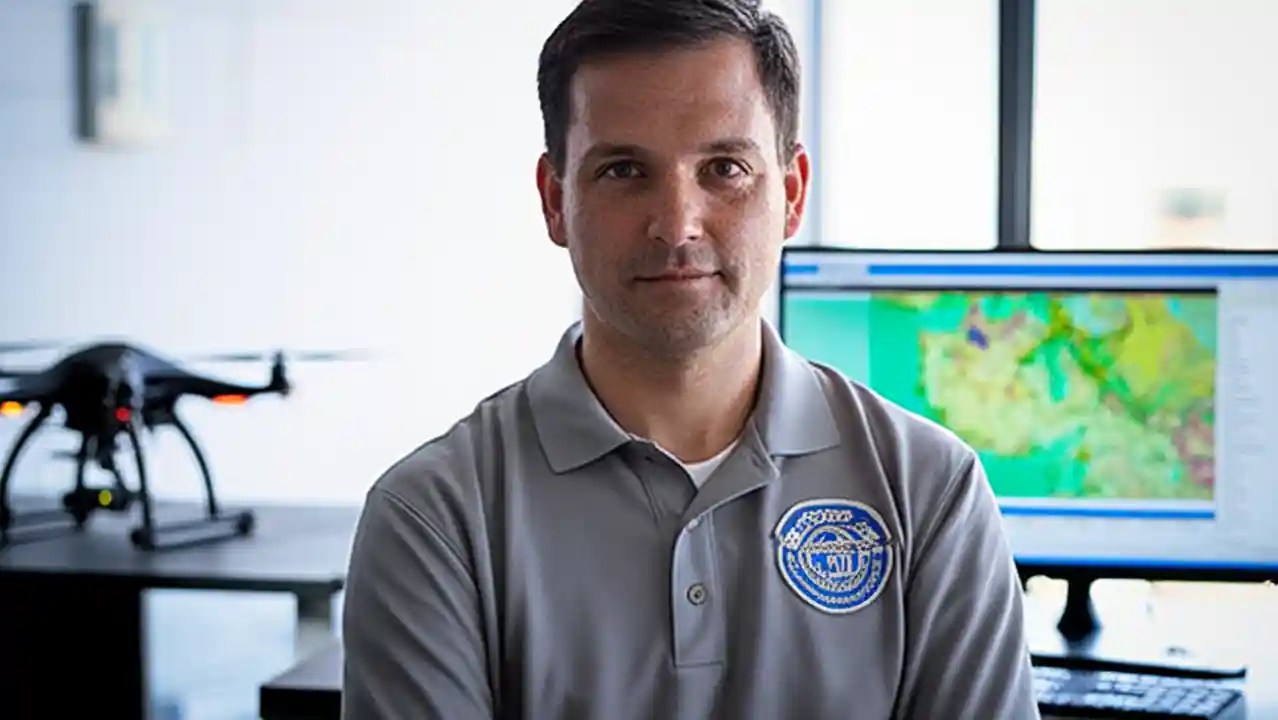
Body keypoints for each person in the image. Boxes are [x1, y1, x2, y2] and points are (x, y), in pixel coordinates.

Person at [340, 1, 1040, 718]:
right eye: (622, 170)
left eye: (725, 168)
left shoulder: (928, 493)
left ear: (791, 195)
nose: (676, 225)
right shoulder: (434, 518)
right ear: (555, 202)